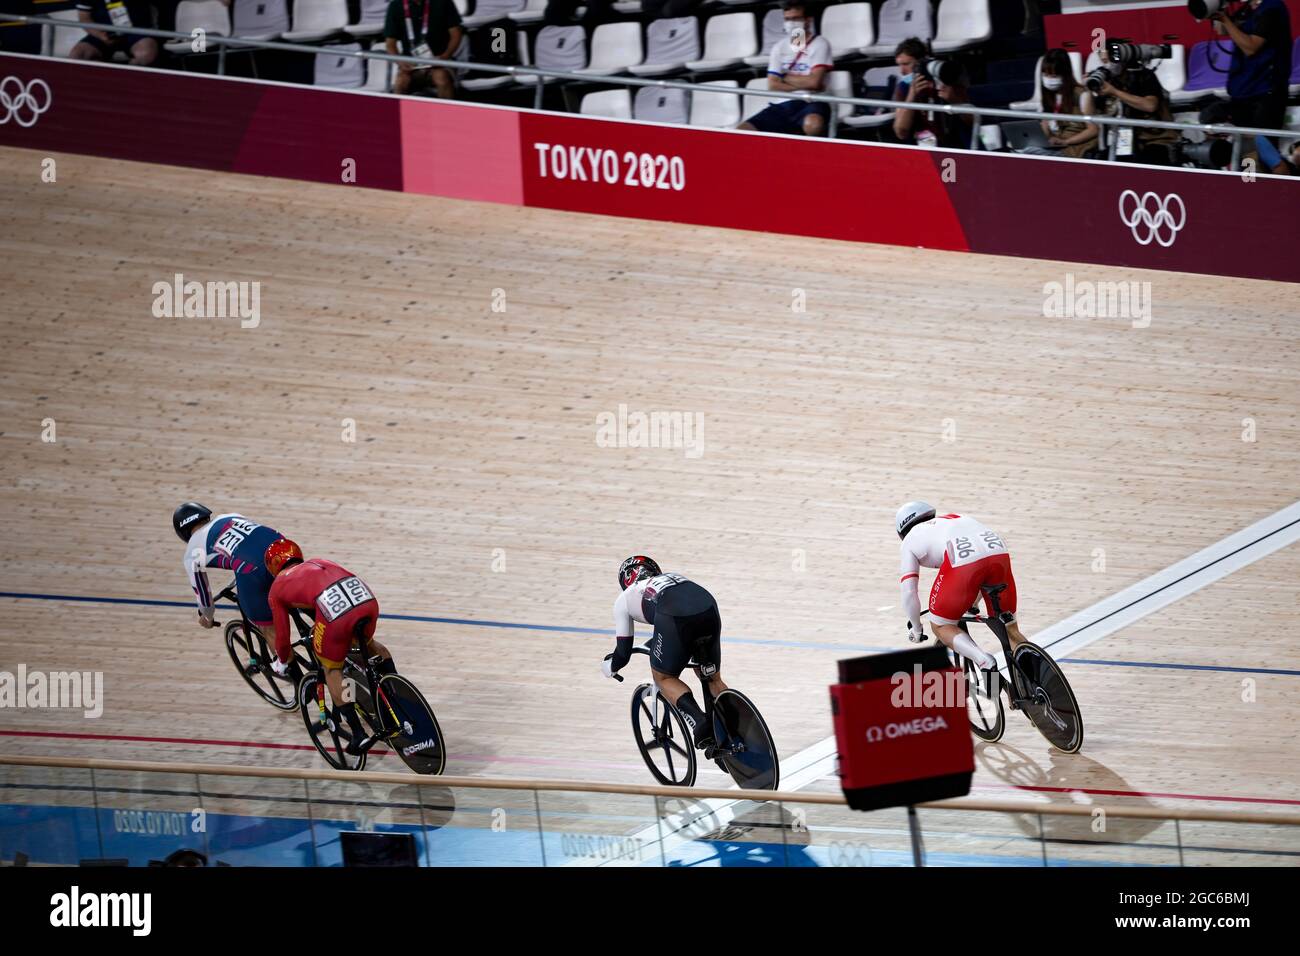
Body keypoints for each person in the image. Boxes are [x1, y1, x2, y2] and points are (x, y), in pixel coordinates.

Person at [264, 539, 393, 756]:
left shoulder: (276, 588)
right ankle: (396, 693)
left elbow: (283, 637)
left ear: (273, 566)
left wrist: (282, 660)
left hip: (337, 615)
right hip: (367, 601)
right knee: (370, 645)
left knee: (331, 669)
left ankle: (358, 734)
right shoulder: (318, 561)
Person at [896, 502, 1030, 687]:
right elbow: (981, 563)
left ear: (902, 531)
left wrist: (917, 628)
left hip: (963, 560)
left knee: (941, 625)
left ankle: (984, 660)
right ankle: (1032, 685)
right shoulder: (953, 519)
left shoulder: (910, 540)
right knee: (1010, 629)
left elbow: (909, 592)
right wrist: (972, 603)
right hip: (997, 550)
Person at [601, 556, 724, 750]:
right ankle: (737, 724)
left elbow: (623, 653)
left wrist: (610, 666)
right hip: (708, 607)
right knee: (710, 676)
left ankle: (699, 722)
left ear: (626, 581)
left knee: (664, 677)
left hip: (674, 616)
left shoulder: (624, 598)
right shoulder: (672, 576)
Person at [174, 503, 288, 650]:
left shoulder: (192, 551)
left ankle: (286, 668)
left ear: (182, 533)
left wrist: (207, 617)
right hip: (283, 546)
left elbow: (203, 595)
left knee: (267, 626)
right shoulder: (230, 516)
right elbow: (253, 542)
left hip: (252, 569)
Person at [738, 1, 833, 137]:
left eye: (796, 19)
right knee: (742, 130)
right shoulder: (779, 47)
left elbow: (815, 83)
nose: (791, 23)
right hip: (783, 104)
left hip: (812, 102)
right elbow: (772, 85)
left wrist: (784, 78)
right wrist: (804, 81)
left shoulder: (820, 43)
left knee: (813, 123)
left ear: (808, 20)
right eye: (787, 19)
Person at [1093, 49, 1179, 165]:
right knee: (1100, 162)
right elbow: (1095, 114)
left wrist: (1114, 92)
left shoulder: (1143, 75)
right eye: (1104, 61)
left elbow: (1150, 106)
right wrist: (1089, 90)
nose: (1108, 65)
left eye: (1111, 60)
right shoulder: (1108, 81)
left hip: (1155, 138)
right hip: (1124, 140)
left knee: (1145, 162)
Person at [891, 44, 973, 148]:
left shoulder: (949, 79)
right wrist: (912, 95)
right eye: (899, 65)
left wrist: (954, 101)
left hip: (954, 146)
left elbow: (972, 122)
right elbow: (900, 132)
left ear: (922, 62)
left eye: (906, 64)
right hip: (922, 147)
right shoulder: (903, 87)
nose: (902, 71)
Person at [1022, 48, 1098, 158]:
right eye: (1045, 75)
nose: (1049, 80)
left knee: (1029, 152)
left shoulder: (1082, 95)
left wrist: (1066, 141)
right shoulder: (1049, 95)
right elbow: (1046, 129)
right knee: (1021, 149)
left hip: (1074, 148)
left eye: (1054, 76)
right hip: (1055, 145)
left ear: (1065, 74)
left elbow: (1093, 130)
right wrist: (1040, 137)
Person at [383, 0, 464, 98]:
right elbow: (390, 44)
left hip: (440, 61)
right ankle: (400, 112)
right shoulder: (396, 5)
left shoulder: (443, 2)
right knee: (401, 81)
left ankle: (448, 112)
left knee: (440, 77)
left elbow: (456, 35)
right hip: (412, 64)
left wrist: (445, 56)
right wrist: (400, 62)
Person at [70, 0, 159, 66]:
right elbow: (84, 18)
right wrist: (100, 35)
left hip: (136, 32)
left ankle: (129, 80)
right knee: (77, 55)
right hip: (103, 33)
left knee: (146, 54)